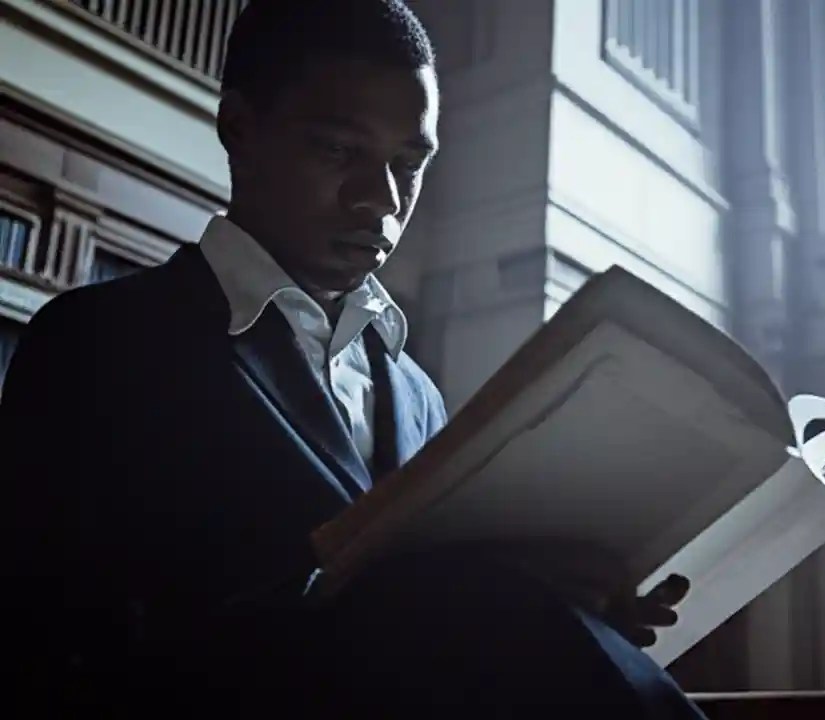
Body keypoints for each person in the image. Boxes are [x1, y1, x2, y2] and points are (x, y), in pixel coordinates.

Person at [0, 1, 704, 716]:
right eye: (340, 151)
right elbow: (50, 646)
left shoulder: (420, 396)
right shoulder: (97, 343)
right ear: (239, 129)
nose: (384, 202)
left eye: (409, 163)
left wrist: (562, 608)